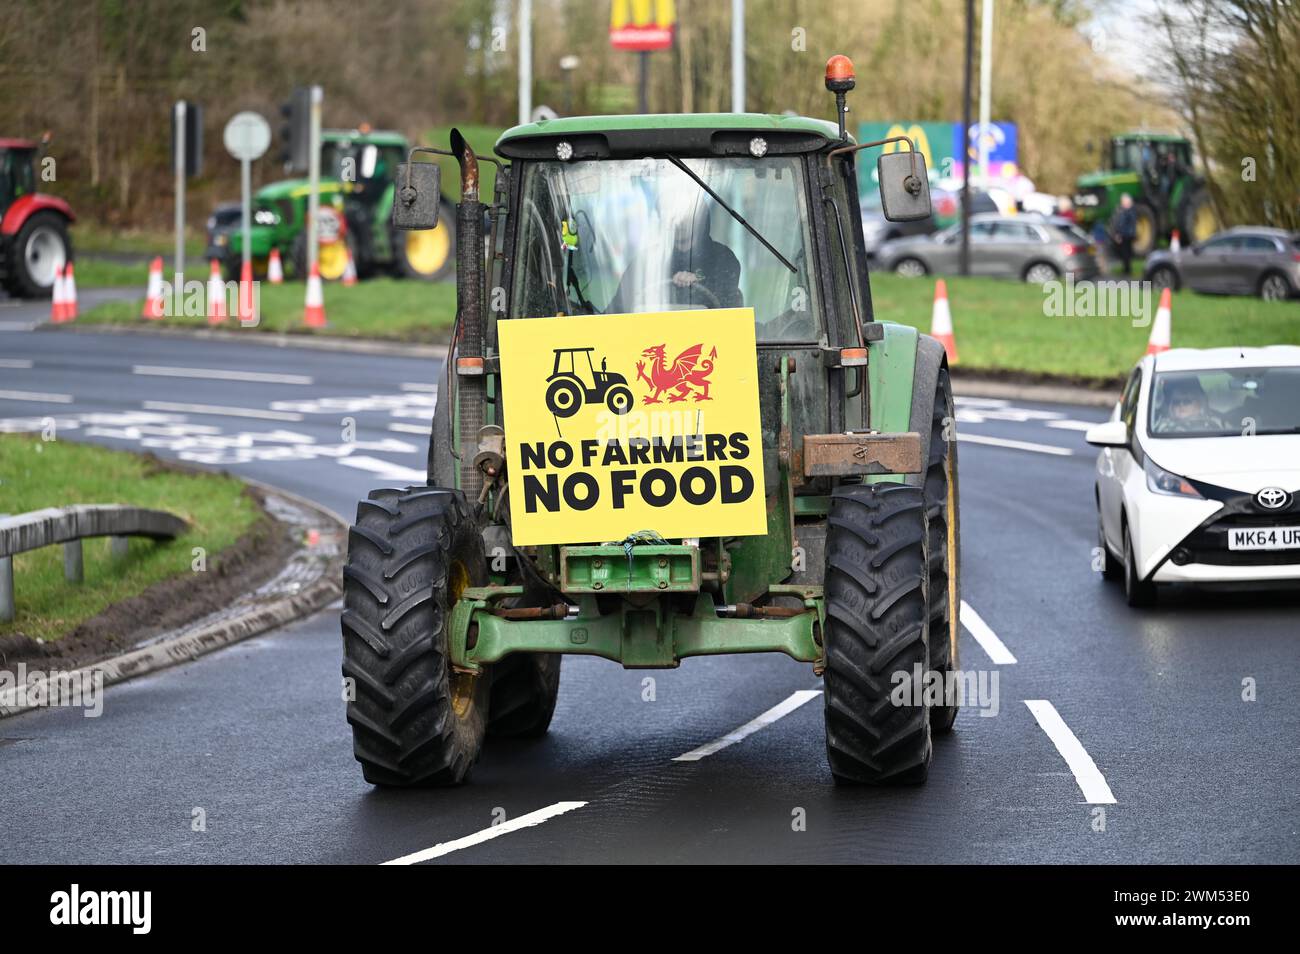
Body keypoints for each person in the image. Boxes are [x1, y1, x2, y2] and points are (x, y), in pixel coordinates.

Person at [608, 201, 742, 312]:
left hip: (711, 339)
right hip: (652, 340)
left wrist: (701, 283)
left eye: (686, 215)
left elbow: (729, 306)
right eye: (672, 215)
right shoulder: (645, 262)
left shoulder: (722, 258)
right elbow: (617, 309)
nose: (679, 221)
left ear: (701, 218)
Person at [1153, 378, 1225, 434]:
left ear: (1199, 403)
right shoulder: (1162, 425)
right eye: (1176, 402)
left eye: (1187, 401)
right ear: (1171, 406)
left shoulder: (1216, 421)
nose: (1181, 405)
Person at [1112, 193, 1138, 277]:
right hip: (1126, 234)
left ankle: (1127, 270)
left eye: (1123, 202)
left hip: (1126, 235)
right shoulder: (1125, 211)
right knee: (1125, 252)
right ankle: (1126, 269)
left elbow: (1123, 224)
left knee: (1126, 252)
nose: (1122, 203)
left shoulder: (1128, 211)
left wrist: (1119, 234)